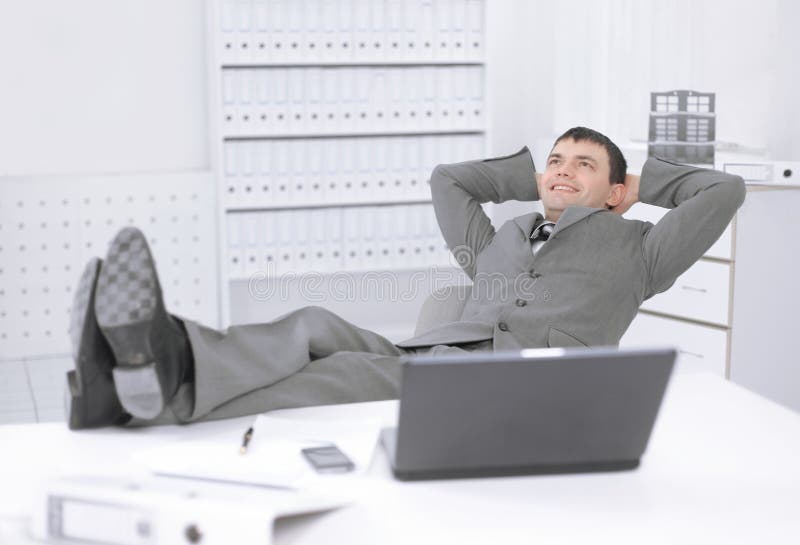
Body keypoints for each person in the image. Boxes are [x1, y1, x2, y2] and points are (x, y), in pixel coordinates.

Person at [65, 127, 745, 429]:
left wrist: (641, 182)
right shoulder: (503, 241)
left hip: (522, 386)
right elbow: (448, 181)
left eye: (585, 165)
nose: (565, 169)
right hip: (444, 355)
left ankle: (148, 386)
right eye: (557, 160)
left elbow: (724, 191)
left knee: (338, 376)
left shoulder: (639, 251)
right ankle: (146, 360)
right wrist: (530, 176)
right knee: (311, 324)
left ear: (614, 192)